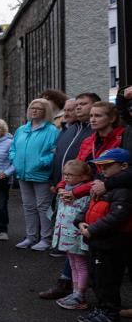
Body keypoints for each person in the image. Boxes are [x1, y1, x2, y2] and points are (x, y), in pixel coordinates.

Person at [38, 93, 100, 299]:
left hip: (89, 193)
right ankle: (72, 285)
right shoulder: (71, 129)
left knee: (81, 246)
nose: (76, 109)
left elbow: (91, 169)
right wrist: (61, 183)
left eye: (83, 105)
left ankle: (77, 289)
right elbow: (67, 159)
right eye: (74, 106)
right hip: (68, 189)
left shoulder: (94, 132)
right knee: (74, 250)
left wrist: (73, 189)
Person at [75, 148, 132, 322]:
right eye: (100, 166)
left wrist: (92, 229)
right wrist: (80, 221)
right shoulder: (102, 186)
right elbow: (89, 206)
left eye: (107, 166)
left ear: (123, 166)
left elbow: (117, 217)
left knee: (108, 280)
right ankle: (102, 309)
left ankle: (111, 315)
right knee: (97, 278)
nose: (103, 170)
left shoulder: (123, 191)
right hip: (96, 241)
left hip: (112, 244)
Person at [10, 98, 60, 250]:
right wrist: (15, 160)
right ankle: (31, 237)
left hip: (41, 175)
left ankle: (46, 239)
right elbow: (13, 148)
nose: (34, 110)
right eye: (32, 108)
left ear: (46, 112)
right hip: (23, 174)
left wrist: (41, 162)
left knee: (43, 207)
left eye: (39, 108)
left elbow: (55, 152)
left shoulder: (52, 130)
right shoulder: (21, 129)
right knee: (29, 207)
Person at [51, 160, 92, 310]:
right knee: (73, 263)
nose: (66, 177)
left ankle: (80, 295)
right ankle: (75, 292)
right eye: (65, 174)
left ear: (82, 177)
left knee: (80, 264)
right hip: (65, 233)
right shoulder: (64, 189)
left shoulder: (85, 193)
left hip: (76, 234)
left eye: (71, 175)